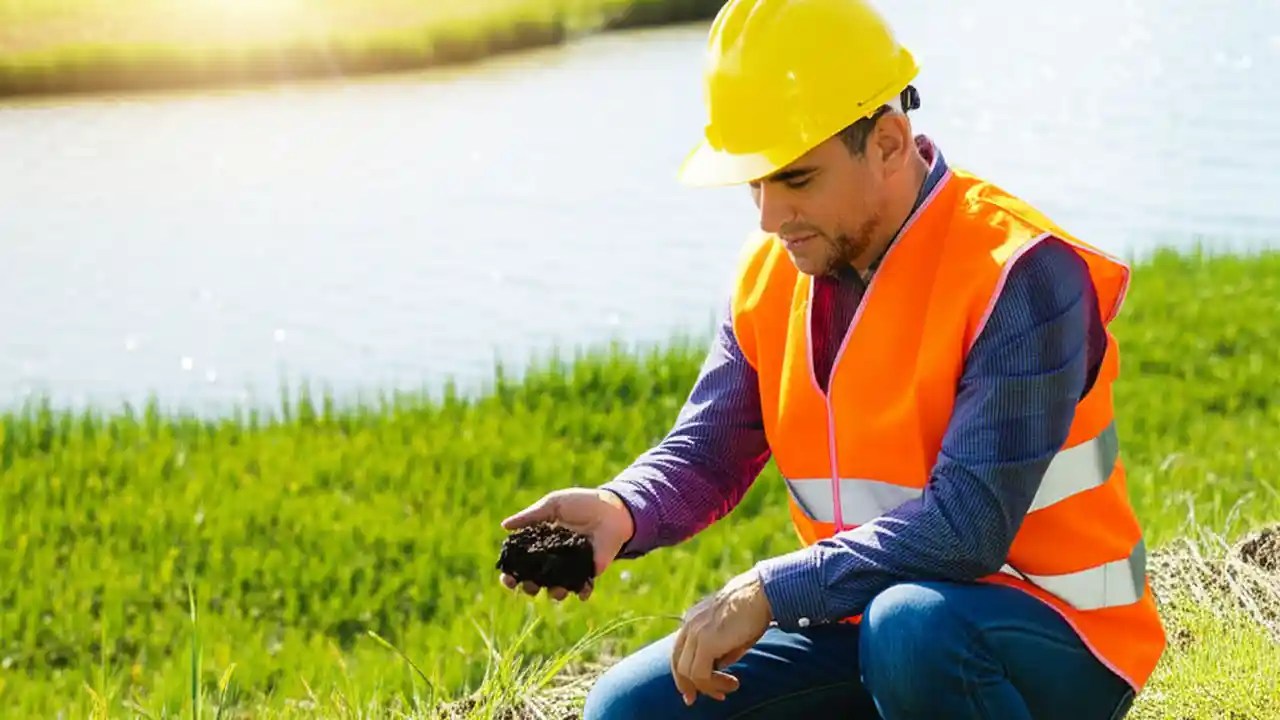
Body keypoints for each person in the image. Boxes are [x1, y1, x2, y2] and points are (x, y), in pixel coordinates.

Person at [498, 0, 1166, 717]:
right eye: (754, 182)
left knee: (911, 630)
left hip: (1054, 640)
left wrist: (771, 591)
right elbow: (708, 450)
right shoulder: (771, 276)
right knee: (627, 709)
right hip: (861, 620)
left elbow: (967, 525)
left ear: (886, 141)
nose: (767, 215)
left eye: (796, 178)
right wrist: (619, 510)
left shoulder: (1021, 274)